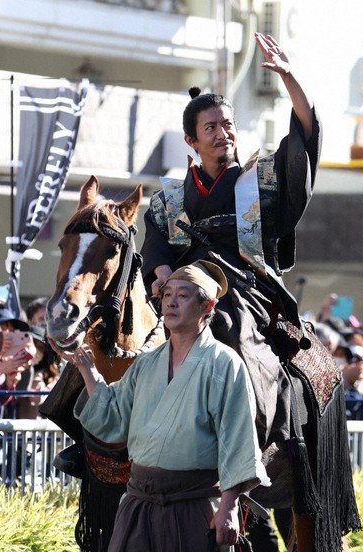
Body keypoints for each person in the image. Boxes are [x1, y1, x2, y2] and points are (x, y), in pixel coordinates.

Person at [140, 33, 319, 448]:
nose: (223, 133)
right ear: (192, 140)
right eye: (212, 127)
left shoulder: (264, 179)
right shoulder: (168, 197)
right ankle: (98, 442)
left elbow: (305, 139)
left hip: (245, 286)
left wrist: (290, 78)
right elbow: (156, 247)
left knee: (234, 329)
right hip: (177, 287)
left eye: (228, 124)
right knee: (113, 333)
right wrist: (165, 278)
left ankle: (256, 433)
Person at [70, 260, 269, 550]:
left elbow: (237, 440)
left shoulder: (224, 364)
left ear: (208, 306)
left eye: (183, 296)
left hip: (194, 505)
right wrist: (88, 369)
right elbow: (113, 415)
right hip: (139, 502)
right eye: (167, 295)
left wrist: (228, 507)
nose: (171, 303)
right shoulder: (147, 363)